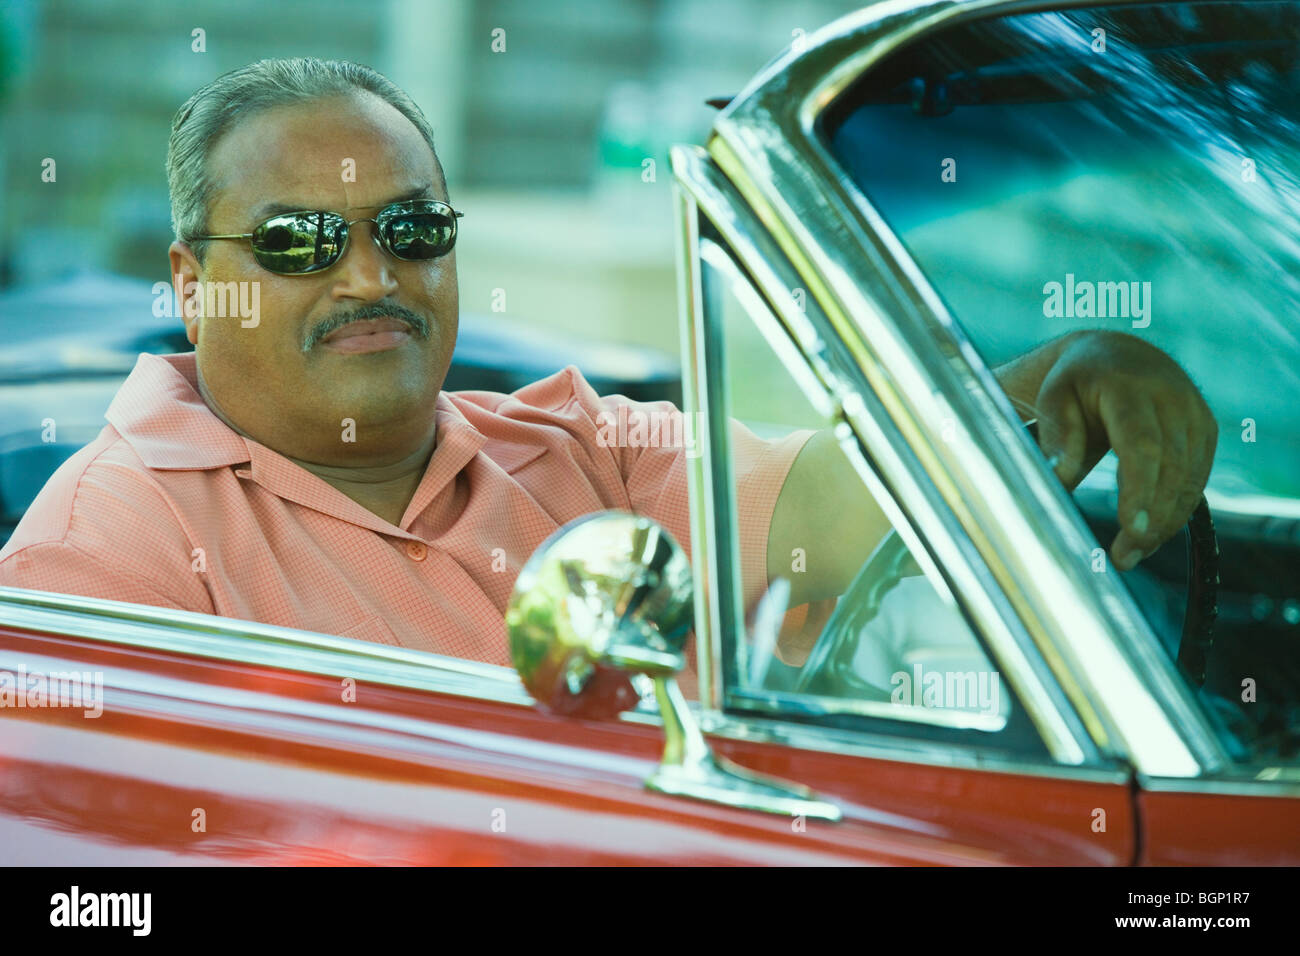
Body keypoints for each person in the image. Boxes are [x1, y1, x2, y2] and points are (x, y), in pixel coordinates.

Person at [0, 58, 1217, 676]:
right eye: (298, 241)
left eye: (411, 230)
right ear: (190, 276)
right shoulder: (105, 550)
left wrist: (1066, 367)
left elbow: (878, 497)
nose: (369, 277)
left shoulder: (583, 449)